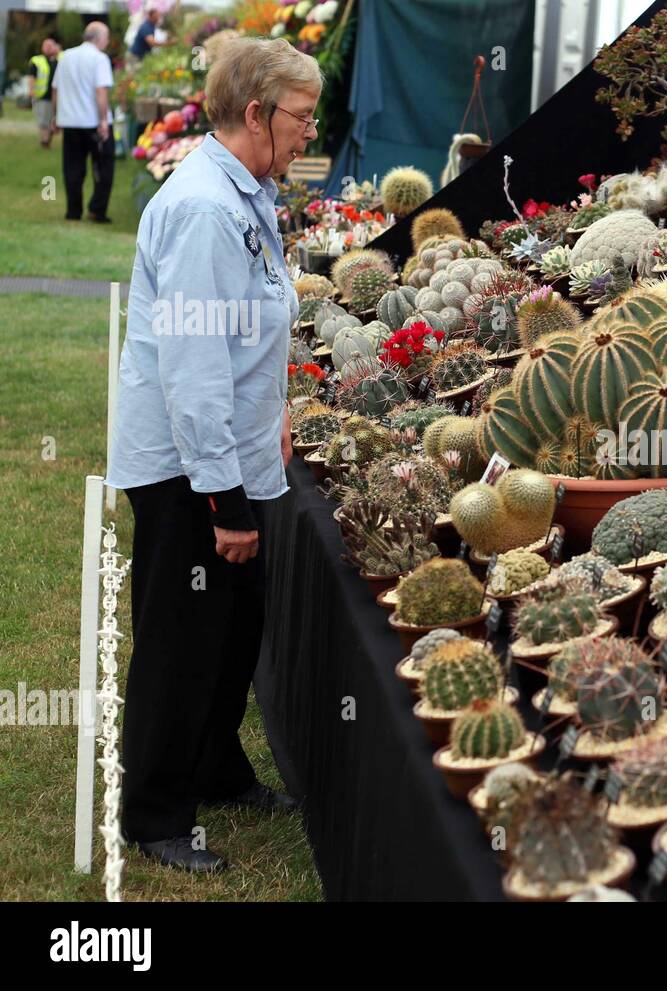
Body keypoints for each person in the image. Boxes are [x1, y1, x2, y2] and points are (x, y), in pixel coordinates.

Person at [106, 37, 322, 874]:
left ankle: (213, 768)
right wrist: (223, 505)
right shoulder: (204, 209)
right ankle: (154, 813)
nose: (309, 135)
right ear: (257, 114)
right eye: (301, 118)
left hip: (227, 455)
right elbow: (194, 378)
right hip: (187, 471)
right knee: (182, 640)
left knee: (233, 631)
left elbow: (243, 336)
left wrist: (273, 415)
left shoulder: (247, 189)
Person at [51, 22, 114, 223]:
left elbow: (55, 90)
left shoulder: (66, 56)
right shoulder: (99, 58)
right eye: (107, 37)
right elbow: (101, 91)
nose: (108, 41)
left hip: (70, 120)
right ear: (99, 38)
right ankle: (97, 209)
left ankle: (73, 210)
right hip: (93, 122)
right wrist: (104, 120)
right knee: (103, 167)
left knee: (72, 168)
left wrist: (55, 116)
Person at [27, 38, 61, 148]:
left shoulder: (60, 59)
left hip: (57, 96)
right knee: (44, 121)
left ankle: (47, 141)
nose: (48, 48)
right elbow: (31, 77)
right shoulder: (37, 60)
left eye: (51, 45)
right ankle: (45, 142)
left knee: (54, 120)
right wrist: (31, 91)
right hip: (42, 96)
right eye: (46, 45)